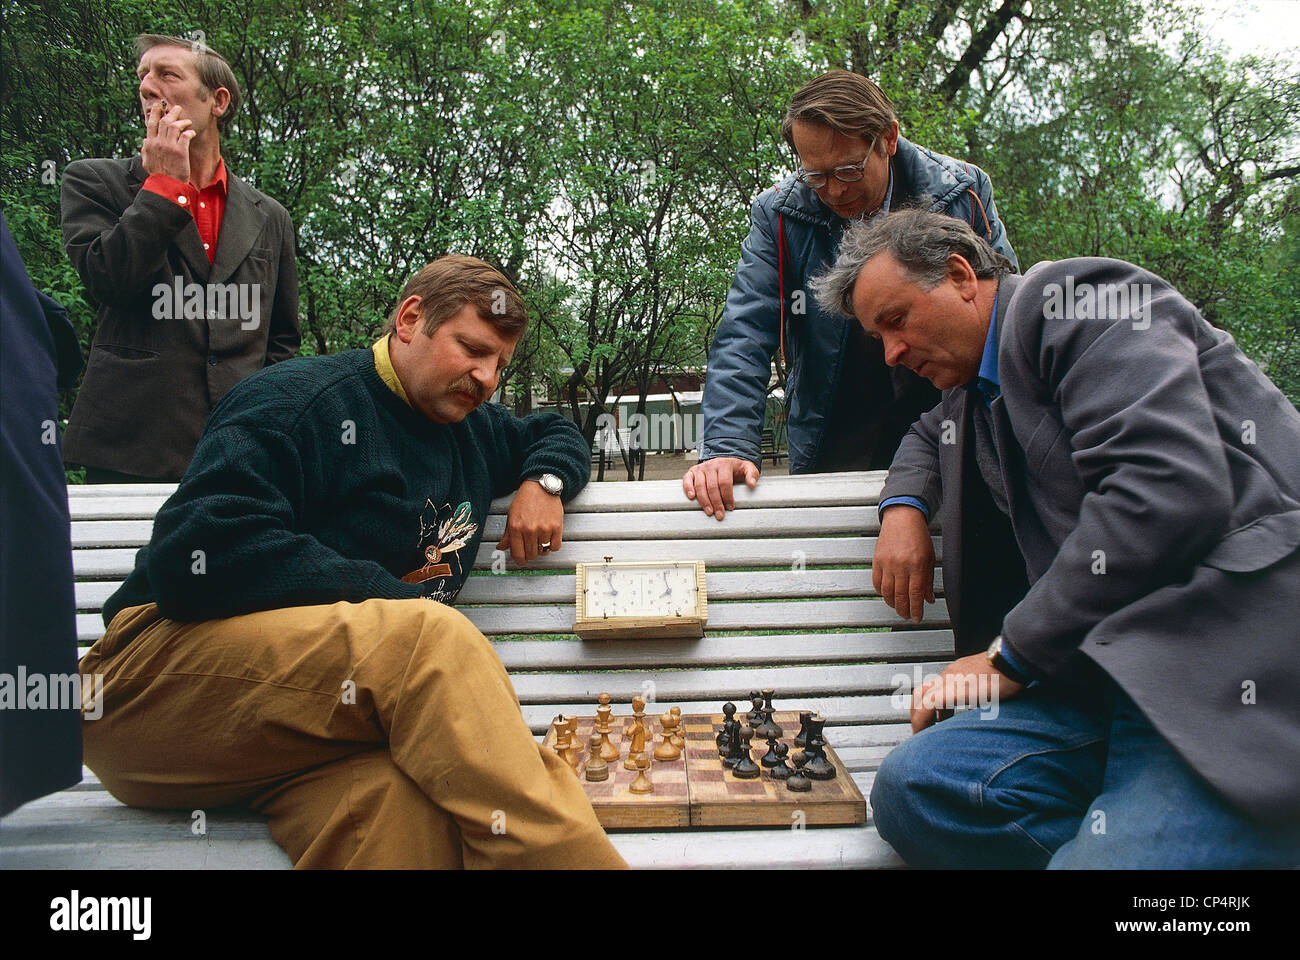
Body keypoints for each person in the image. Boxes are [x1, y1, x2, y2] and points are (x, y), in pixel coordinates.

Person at [78, 256, 627, 869]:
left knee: (399, 821)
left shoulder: (470, 428)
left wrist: (544, 481)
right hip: (153, 694)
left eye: (500, 363)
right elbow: (195, 556)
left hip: (307, 739)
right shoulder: (297, 401)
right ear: (410, 319)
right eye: (471, 349)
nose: (486, 378)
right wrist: (393, 603)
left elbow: (554, 432)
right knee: (428, 638)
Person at [811, 209, 1300, 868]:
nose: (891, 352)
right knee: (917, 790)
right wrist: (901, 507)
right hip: (1101, 686)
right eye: (878, 337)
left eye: (896, 321)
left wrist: (1010, 656)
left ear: (960, 276)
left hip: (1218, 674)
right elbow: (929, 434)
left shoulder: (1082, 301)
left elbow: (1164, 490)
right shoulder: (976, 386)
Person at [685, 70, 1017, 519]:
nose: (835, 191)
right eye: (816, 176)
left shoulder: (962, 190)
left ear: (889, 138)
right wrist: (725, 446)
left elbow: (1001, 313)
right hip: (835, 426)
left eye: (849, 169)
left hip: (952, 414)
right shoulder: (778, 214)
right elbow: (744, 332)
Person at [61, 33, 300, 483]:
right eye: (143, 78)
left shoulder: (270, 216)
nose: (149, 87)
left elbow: (281, 344)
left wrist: (265, 430)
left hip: (239, 452)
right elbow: (108, 278)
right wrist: (165, 187)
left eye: (167, 74)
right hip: (130, 450)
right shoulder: (93, 180)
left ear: (218, 101)